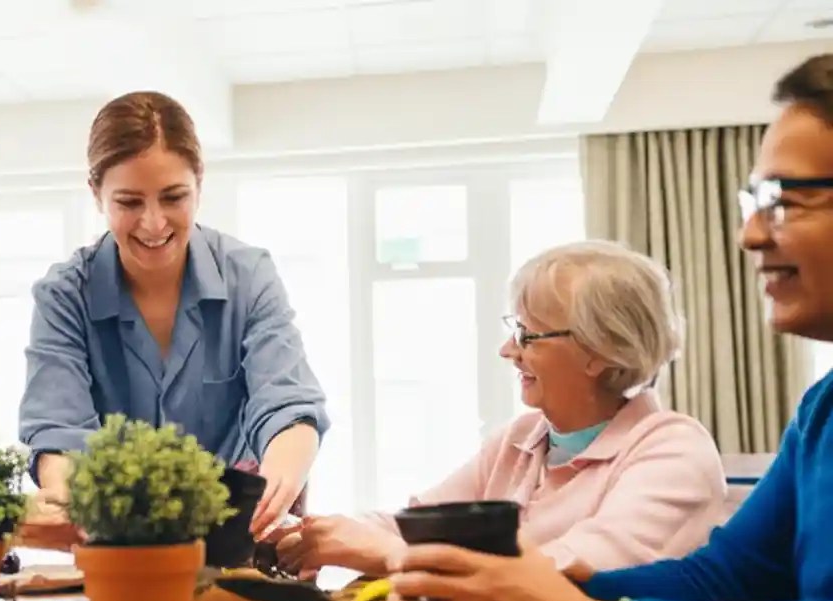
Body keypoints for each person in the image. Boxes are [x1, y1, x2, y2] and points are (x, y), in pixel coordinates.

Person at [384, 54, 833, 601]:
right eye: (753, 202)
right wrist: (538, 596)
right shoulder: (822, 410)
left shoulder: (670, 444)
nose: (748, 234)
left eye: (785, 201)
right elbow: (726, 578)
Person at [276, 241, 726, 579]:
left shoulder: (673, 451)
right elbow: (412, 523)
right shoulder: (520, 439)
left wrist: (387, 556)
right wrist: (312, 531)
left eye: (529, 336)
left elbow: (571, 571)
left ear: (601, 351)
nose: (508, 350)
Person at [18, 91, 330, 544]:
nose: (153, 223)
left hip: (238, 537)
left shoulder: (249, 276)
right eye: (128, 202)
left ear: (199, 186)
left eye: (173, 197)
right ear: (97, 195)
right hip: (117, 543)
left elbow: (286, 404)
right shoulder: (65, 296)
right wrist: (79, 505)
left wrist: (280, 485)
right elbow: (59, 434)